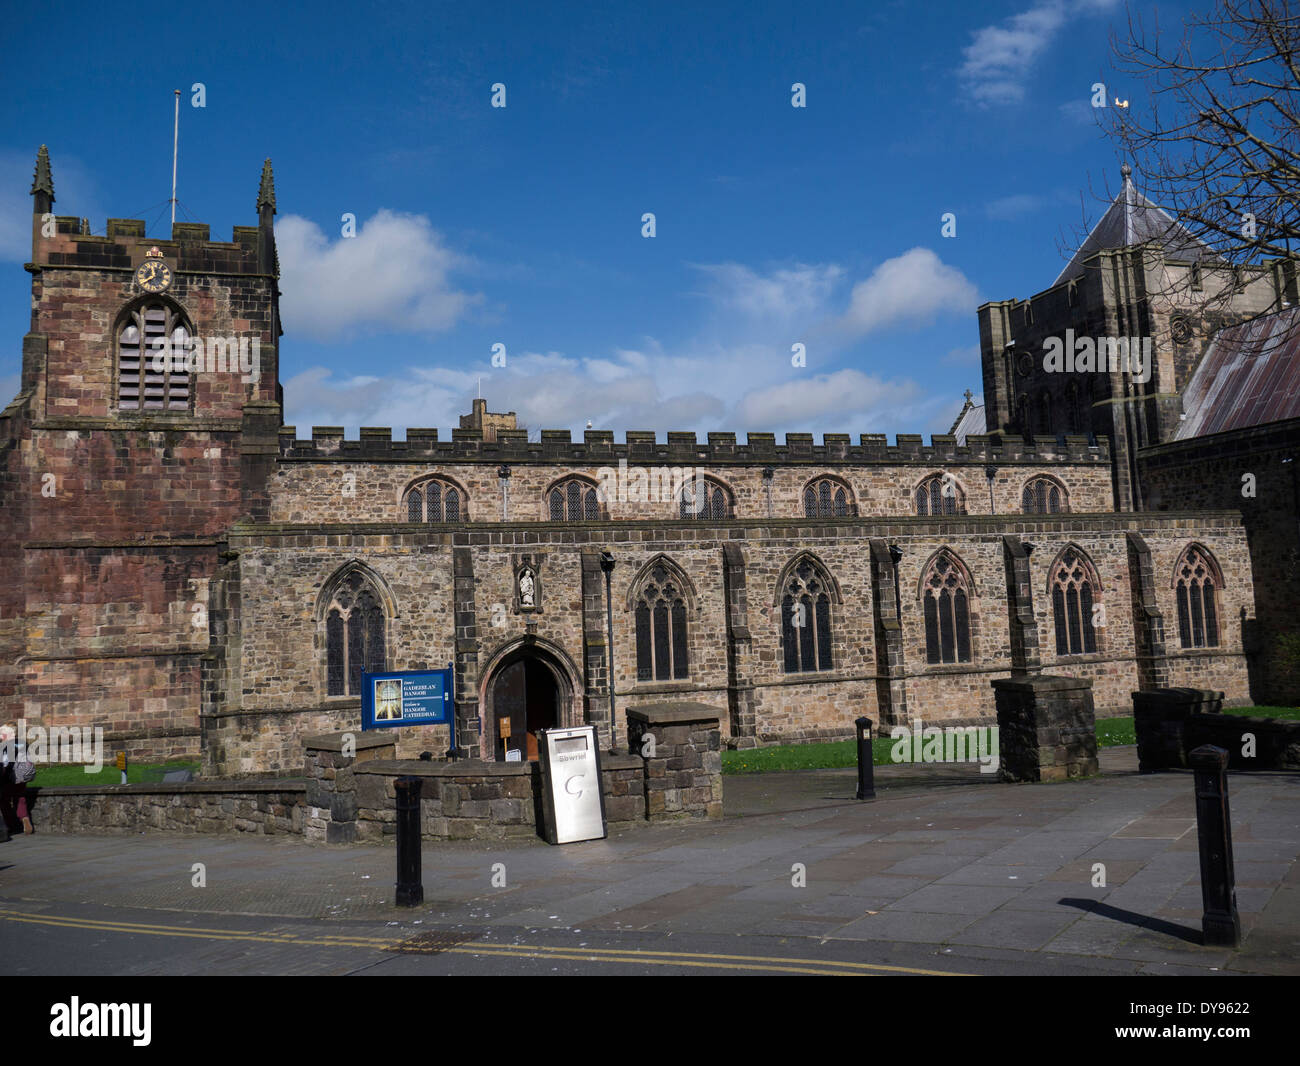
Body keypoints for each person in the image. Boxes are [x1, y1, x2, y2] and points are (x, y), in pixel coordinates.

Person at [0, 721, 33, 836]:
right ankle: (25, 819)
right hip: (22, 777)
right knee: (20, 798)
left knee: (3, 800)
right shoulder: (23, 743)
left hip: (9, 778)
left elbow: (5, 764)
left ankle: (10, 825)